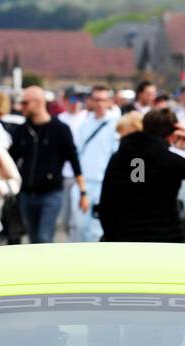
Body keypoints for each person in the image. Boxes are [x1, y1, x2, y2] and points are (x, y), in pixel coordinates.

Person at [98, 107, 185, 242]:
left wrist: (112, 237)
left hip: (125, 241)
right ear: (174, 132)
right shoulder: (170, 157)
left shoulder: (119, 156)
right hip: (164, 241)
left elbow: (106, 203)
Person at [8, 86, 86, 244]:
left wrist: (83, 191)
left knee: (44, 238)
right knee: (33, 239)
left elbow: (73, 159)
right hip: (27, 193)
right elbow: (11, 159)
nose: (21, 106)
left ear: (38, 103)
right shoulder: (23, 130)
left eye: (25, 102)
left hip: (51, 193)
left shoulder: (60, 129)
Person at [71, 85, 119, 242]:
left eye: (103, 100)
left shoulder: (115, 124)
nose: (99, 104)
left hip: (103, 184)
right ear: (91, 101)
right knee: (79, 227)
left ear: (109, 102)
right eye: (96, 99)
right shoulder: (84, 123)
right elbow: (76, 154)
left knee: (96, 230)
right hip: (83, 183)